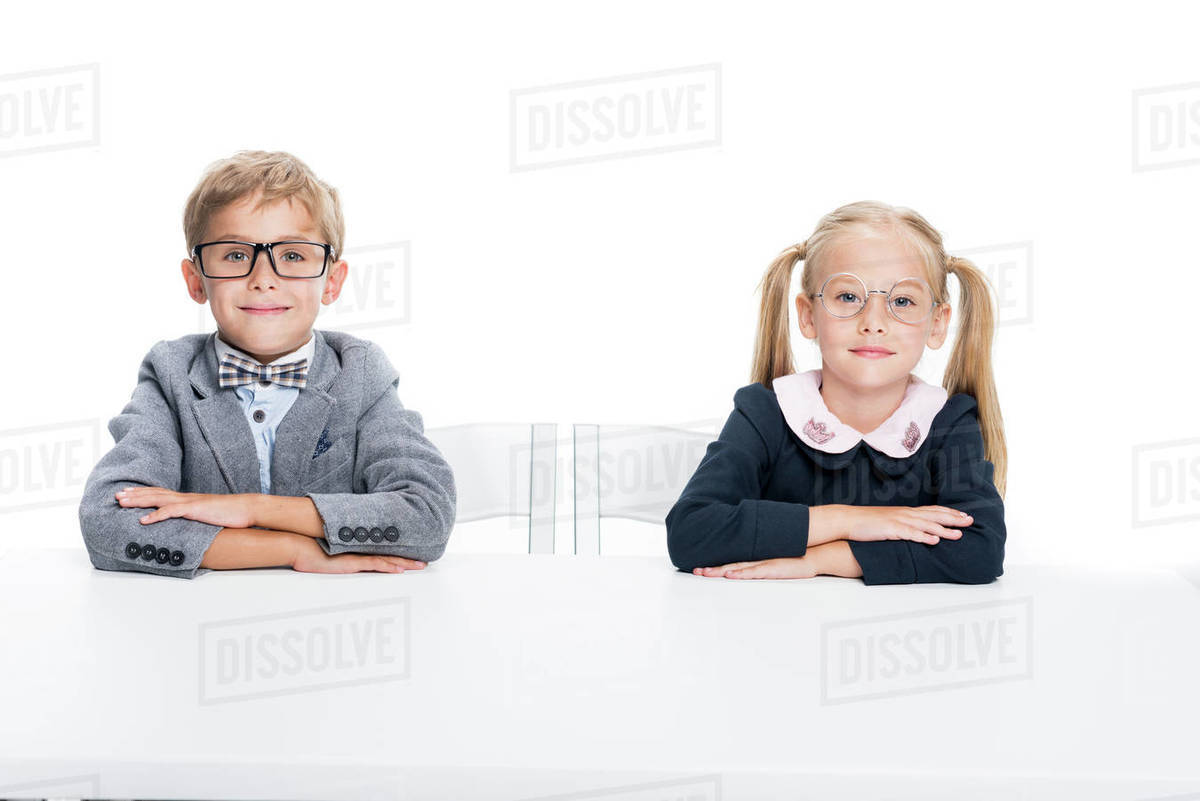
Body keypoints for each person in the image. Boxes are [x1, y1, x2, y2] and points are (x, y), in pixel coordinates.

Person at [78, 150, 456, 579]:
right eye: (236, 255)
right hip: (199, 613)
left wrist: (252, 509)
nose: (263, 279)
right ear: (196, 280)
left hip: (335, 610)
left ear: (331, 281)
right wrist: (290, 549)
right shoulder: (171, 373)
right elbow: (106, 520)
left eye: (292, 255)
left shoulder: (360, 372)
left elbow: (427, 513)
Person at [665, 201, 1006, 585]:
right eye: (848, 297)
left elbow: (981, 549)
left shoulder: (947, 422)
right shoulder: (766, 413)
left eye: (902, 301)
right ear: (808, 316)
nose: (873, 323)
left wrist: (824, 558)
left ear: (937, 323)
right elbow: (691, 531)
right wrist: (852, 520)